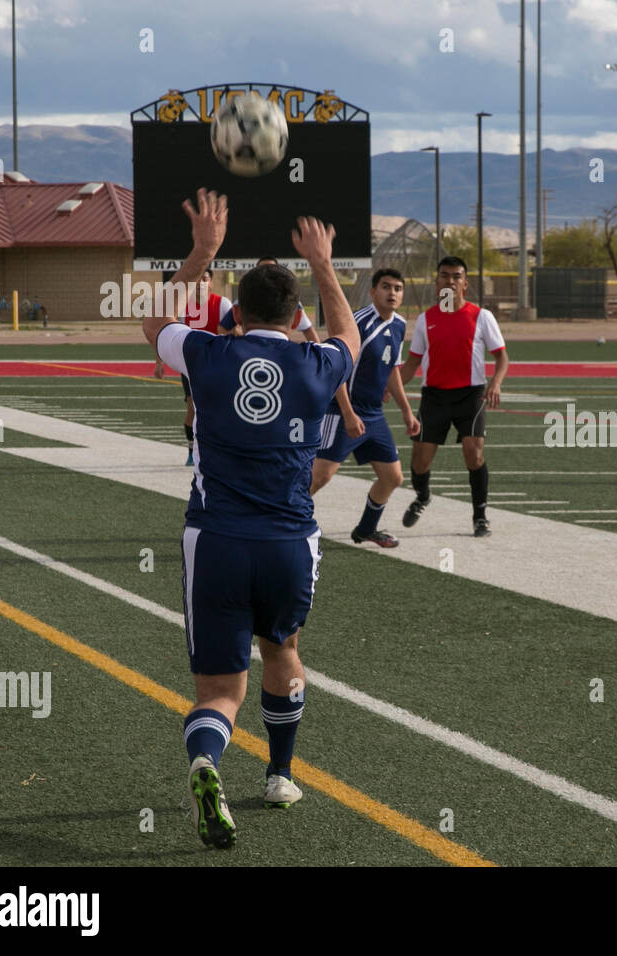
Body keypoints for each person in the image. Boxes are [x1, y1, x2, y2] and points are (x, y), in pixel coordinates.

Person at [143, 189, 361, 849]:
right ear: (297, 314)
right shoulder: (317, 361)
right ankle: (279, 773)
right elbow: (349, 335)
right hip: (290, 539)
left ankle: (207, 759)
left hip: (215, 539)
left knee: (217, 688)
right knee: (283, 650)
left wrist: (202, 251)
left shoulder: (209, 354)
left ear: (235, 311)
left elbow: (151, 324)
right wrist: (323, 265)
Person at [397, 256, 508, 537]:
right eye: (444, 276)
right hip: (434, 397)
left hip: (470, 397)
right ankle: (423, 497)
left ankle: (480, 516)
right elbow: (412, 364)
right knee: (420, 461)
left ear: (465, 284)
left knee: (474, 454)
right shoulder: (425, 319)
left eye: (456, 276)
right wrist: (390, 387)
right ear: (436, 283)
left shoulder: (481, 316)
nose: (450, 281)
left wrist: (495, 382)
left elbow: (502, 356)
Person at [310, 268, 419, 547]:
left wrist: (407, 412)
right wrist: (348, 413)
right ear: (373, 292)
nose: (392, 292)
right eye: (386, 287)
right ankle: (274, 522)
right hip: (342, 410)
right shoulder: (357, 322)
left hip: (373, 414)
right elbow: (335, 369)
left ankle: (366, 529)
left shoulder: (398, 325)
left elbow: (392, 368)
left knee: (392, 477)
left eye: (397, 288)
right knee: (319, 477)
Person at [153, 268, 232, 465]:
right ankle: (191, 451)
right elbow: (165, 331)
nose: (200, 283)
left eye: (204, 279)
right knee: (193, 406)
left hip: (218, 364)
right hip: (191, 364)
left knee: (221, 407)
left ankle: (218, 448)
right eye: (197, 279)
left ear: (211, 283)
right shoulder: (183, 307)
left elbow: (234, 330)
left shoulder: (222, 304)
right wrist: (159, 361)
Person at [219, 257, 321, 345]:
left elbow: (308, 330)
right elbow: (222, 329)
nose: (267, 273)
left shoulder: (291, 301)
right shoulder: (243, 300)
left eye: (272, 269)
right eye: (262, 269)